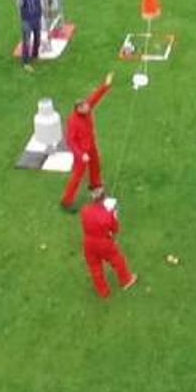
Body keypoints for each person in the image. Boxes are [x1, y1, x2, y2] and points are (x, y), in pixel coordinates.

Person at [61, 72, 114, 211]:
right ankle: (67, 201)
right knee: (78, 176)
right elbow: (70, 141)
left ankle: (95, 185)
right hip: (82, 151)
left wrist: (106, 85)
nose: (89, 108)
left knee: (96, 165)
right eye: (85, 107)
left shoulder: (86, 109)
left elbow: (95, 98)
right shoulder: (73, 121)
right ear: (79, 109)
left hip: (91, 145)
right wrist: (81, 154)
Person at [79, 186, 137, 298]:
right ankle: (126, 280)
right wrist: (114, 215)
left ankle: (103, 291)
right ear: (104, 198)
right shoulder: (107, 214)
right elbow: (115, 229)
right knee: (117, 260)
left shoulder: (85, 210)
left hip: (88, 243)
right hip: (104, 243)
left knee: (95, 267)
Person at [12, 0, 43, 71]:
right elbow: (19, 4)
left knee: (37, 39)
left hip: (36, 18)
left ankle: (35, 55)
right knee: (26, 41)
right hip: (27, 20)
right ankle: (26, 62)